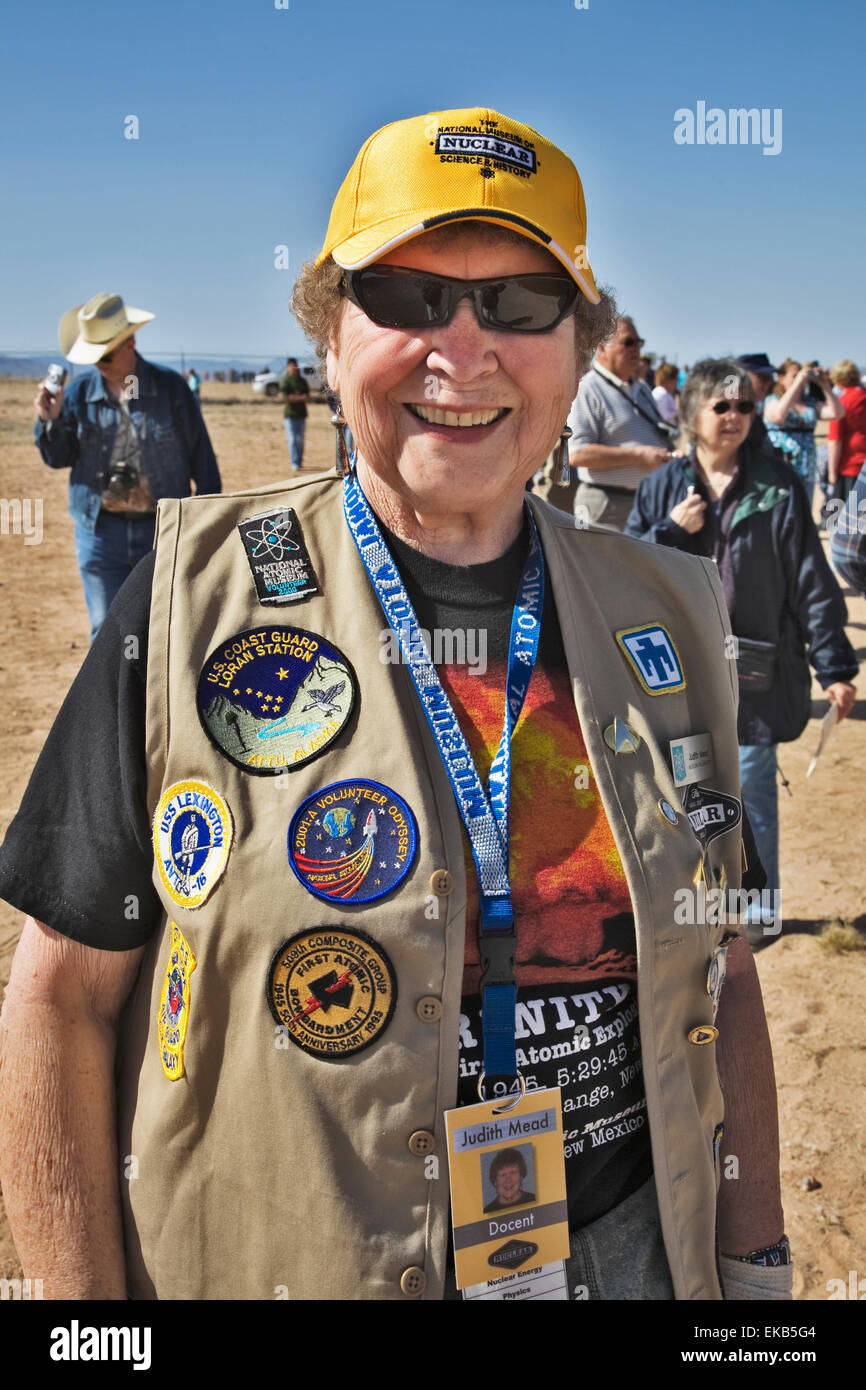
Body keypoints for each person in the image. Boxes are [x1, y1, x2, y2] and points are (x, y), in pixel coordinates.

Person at [1, 108, 788, 1302]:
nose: (461, 352)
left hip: (630, 1259)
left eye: (519, 305)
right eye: (408, 297)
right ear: (328, 339)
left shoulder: (670, 606)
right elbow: (60, 998)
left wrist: (757, 1267)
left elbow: (722, 963)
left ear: (575, 353)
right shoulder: (189, 598)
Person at [625, 358, 858, 942]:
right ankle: (693, 913)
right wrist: (668, 533)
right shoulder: (660, 488)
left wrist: (834, 665)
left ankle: (758, 912)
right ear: (691, 412)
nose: (735, 416)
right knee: (684, 797)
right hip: (674, 675)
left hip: (754, 671)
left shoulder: (780, 485)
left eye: (745, 407)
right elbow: (622, 573)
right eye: (721, 405)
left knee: (752, 793)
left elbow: (811, 579)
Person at [33, 293, 221, 640]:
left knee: (160, 632)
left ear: (131, 341)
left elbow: (202, 460)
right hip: (100, 533)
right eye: (94, 355)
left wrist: (205, 526)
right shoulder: (77, 394)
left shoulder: (171, 390)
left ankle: (152, 697)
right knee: (106, 634)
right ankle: (112, 698)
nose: (99, 363)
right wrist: (51, 420)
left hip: (160, 532)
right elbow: (58, 457)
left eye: (105, 353)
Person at [568, 315, 674, 531]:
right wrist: (636, 456)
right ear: (602, 347)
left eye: (639, 343)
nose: (636, 349)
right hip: (606, 506)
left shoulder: (642, 388)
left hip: (643, 503)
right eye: (628, 342)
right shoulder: (588, 389)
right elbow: (577, 453)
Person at [763, 357, 843, 501]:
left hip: (807, 465)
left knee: (804, 508)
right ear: (781, 378)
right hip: (782, 465)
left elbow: (837, 413)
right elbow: (778, 416)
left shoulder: (809, 402)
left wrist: (825, 385)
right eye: (793, 375)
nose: (799, 379)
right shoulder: (773, 400)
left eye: (800, 375)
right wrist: (798, 382)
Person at [827, 359, 866, 505]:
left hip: (851, 465)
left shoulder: (842, 403)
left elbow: (835, 439)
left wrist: (832, 472)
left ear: (838, 380)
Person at [279, 355, 310, 470]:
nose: (294, 368)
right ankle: (295, 462)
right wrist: (299, 397)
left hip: (301, 415)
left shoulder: (302, 381)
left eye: (295, 366)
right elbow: (287, 397)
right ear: (288, 367)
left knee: (300, 440)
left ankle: (299, 461)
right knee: (292, 440)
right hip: (290, 415)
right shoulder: (285, 381)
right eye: (292, 366)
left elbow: (306, 396)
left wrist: (296, 397)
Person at [482, 1148, 535, 1212]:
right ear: (495, 1181)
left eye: (513, 1173)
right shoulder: (488, 1211)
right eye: (503, 1175)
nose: (508, 1180)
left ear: (521, 1177)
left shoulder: (533, 1200)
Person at [651, 361, 679, 425]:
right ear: (667, 379)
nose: (677, 380)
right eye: (675, 377)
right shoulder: (662, 394)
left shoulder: (661, 392)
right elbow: (666, 419)